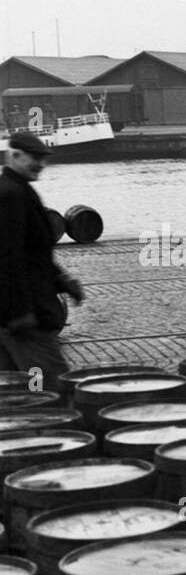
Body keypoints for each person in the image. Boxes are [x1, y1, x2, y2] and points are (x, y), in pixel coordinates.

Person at [0, 133, 85, 387]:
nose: (40, 164)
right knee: (48, 383)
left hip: (13, 317)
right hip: (26, 318)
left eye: (42, 158)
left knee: (15, 386)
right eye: (34, 158)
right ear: (14, 155)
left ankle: (23, 423)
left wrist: (62, 280)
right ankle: (52, 421)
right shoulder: (10, 195)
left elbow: (31, 252)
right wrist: (20, 313)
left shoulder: (18, 190)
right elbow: (7, 259)